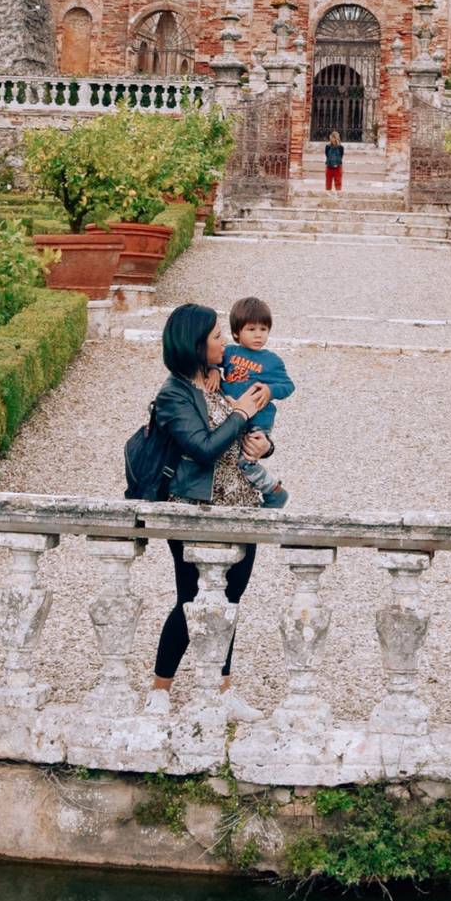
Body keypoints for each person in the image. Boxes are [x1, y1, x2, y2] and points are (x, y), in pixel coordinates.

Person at [148, 303, 273, 719]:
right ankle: (160, 690)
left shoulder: (219, 383)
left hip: (241, 508)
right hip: (195, 511)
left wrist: (263, 445)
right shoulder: (173, 395)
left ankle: (223, 690)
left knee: (230, 600)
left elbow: (238, 436)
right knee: (190, 600)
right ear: (195, 344)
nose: (225, 342)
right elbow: (201, 448)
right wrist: (241, 414)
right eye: (217, 336)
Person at [220, 296, 293, 509]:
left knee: (246, 460)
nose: (258, 335)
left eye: (263, 329)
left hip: (259, 419)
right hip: (234, 415)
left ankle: (274, 491)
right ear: (236, 333)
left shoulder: (272, 361)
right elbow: (210, 361)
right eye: (251, 329)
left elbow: (288, 386)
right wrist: (215, 372)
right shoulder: (229, 353)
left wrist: (270, 390)